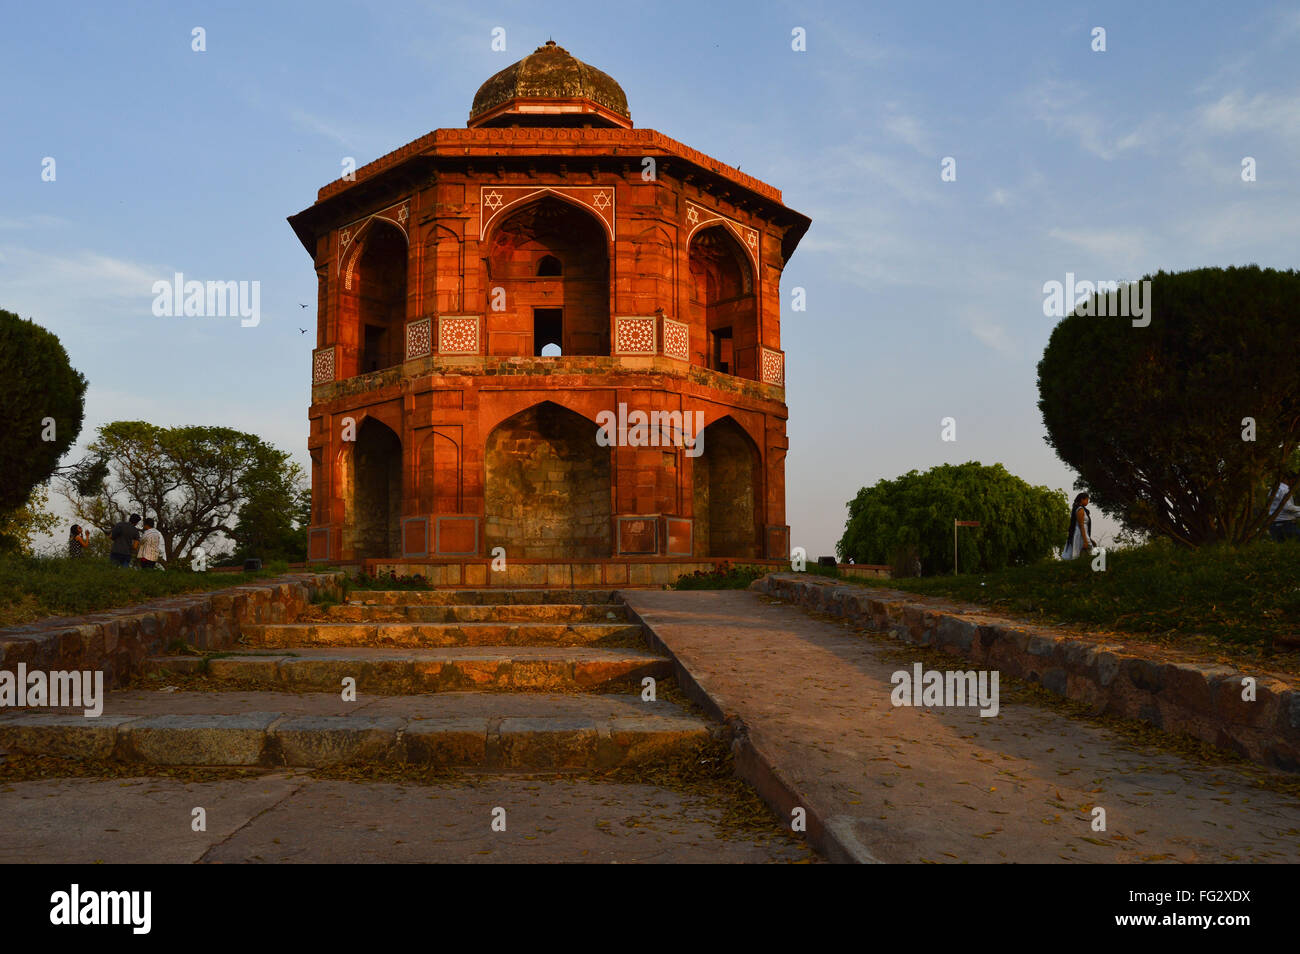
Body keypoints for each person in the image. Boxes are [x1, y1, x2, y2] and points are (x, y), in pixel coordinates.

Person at [1267, 474, 1300, 542]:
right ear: (1291, 479)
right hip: (1285, 525)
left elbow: (1282, 509)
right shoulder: (1284, 489)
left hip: (1275, 525)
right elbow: (1288, 508)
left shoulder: (1273, 489)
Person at [1061, 491, 1094, 560]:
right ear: (1082, 499)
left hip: (1083, 532)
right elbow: (1081, 525)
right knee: (1085, 550)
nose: (1088, 502)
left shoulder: (1082, 510)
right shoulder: (1080, 510)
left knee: (1086, 550)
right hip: (1080, 533)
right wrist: (1085, 540)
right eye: (1087, 500)